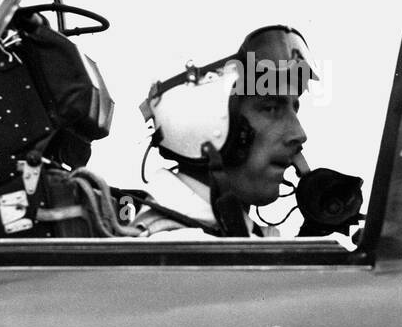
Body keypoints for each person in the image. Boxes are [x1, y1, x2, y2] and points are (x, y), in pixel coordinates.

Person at [135, 26, 314, 237]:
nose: (299, 134)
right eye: (271, 108)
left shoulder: (229, 238)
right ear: (202, 115)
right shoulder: (180, 247)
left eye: (295, 108)